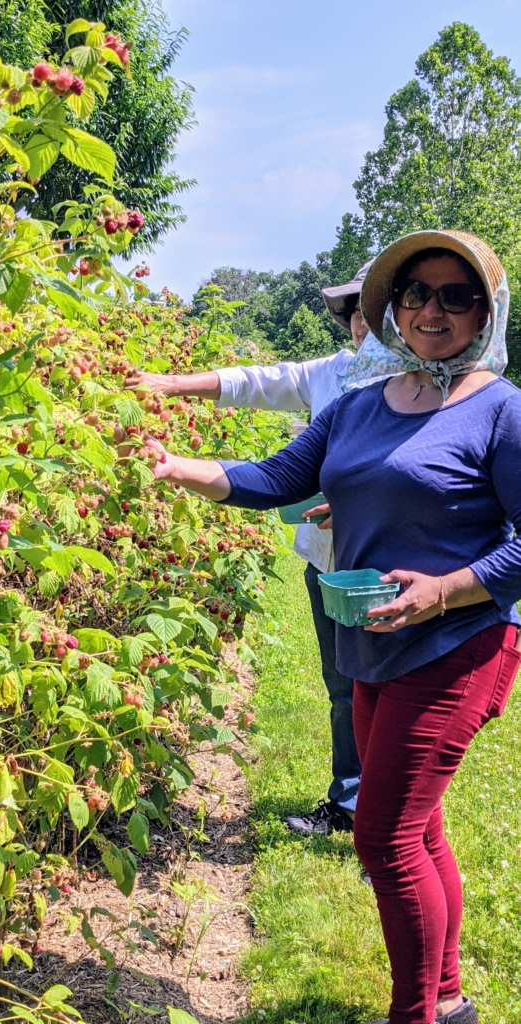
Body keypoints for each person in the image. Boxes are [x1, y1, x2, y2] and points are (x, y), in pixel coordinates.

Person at [144, 229, 521, 1024]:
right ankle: (446, 1001)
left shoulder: (500, 411)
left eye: (458, 297)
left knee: (382, 837)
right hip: (370, 639)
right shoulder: (359, 404)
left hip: (455, 645)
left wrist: (447, 589)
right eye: (417, 292)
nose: (432, 310)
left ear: (486, 315)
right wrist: (176, 468)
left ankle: (413, 1013)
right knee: (417, 831)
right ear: (389, 308)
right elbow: (275, 477)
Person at [126, 262, 373, 837]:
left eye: (377, 309)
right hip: (328, 560)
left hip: (390, 566)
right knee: (344, 685)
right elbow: (259, 383)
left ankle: (394, 825)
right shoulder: (332, 378)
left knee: (391, 694)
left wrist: (364, 503)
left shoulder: (431, 386)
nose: (365, 323)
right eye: (356, 311)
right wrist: (173, 384)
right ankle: (351, 801)